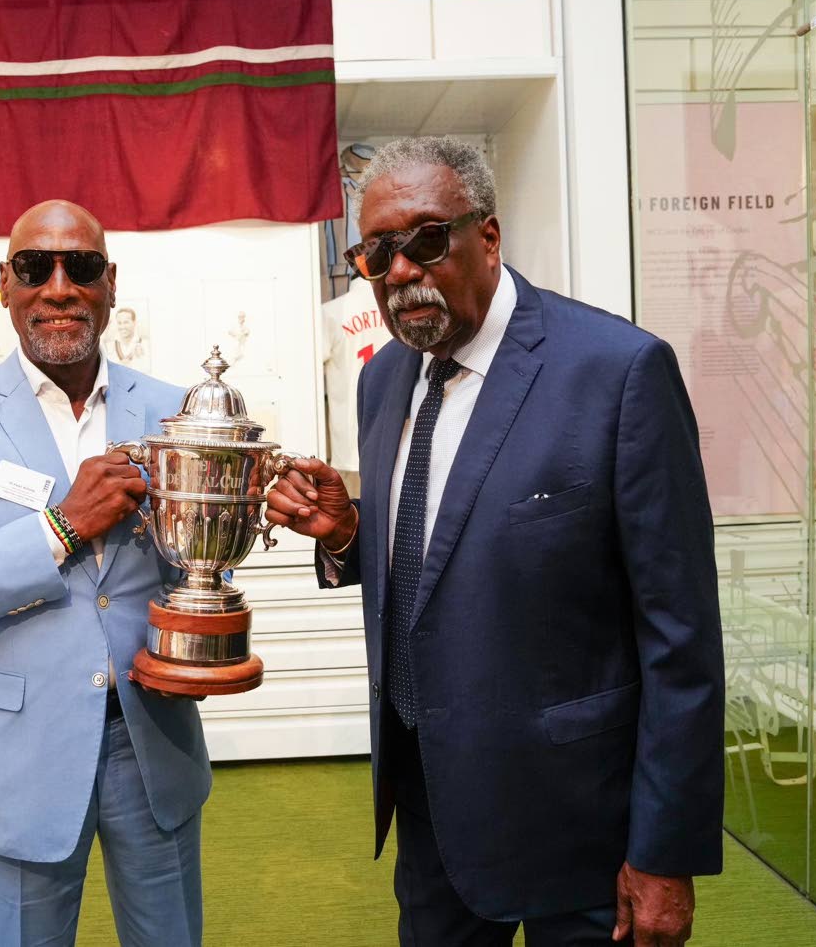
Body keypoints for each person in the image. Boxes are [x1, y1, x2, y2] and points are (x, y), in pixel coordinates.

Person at [266, 136, 725, 946]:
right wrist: (347, 535)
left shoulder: (617, 373)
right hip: (429, 805)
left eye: (424, 239)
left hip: (579, 826)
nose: (400, 270)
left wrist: (665, 850)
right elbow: (444, 559)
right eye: (375, 253)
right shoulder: (385, 378)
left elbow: (679, 638)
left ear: (488, 236)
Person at [0, 200, 209, 947]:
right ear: (4, 283)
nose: (58, 287)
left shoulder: (173, 411)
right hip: (16, 755)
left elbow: (199, 564)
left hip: (150, 741)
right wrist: (58, 529)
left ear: (109, 282)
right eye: (35, 267)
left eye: (81, 266)